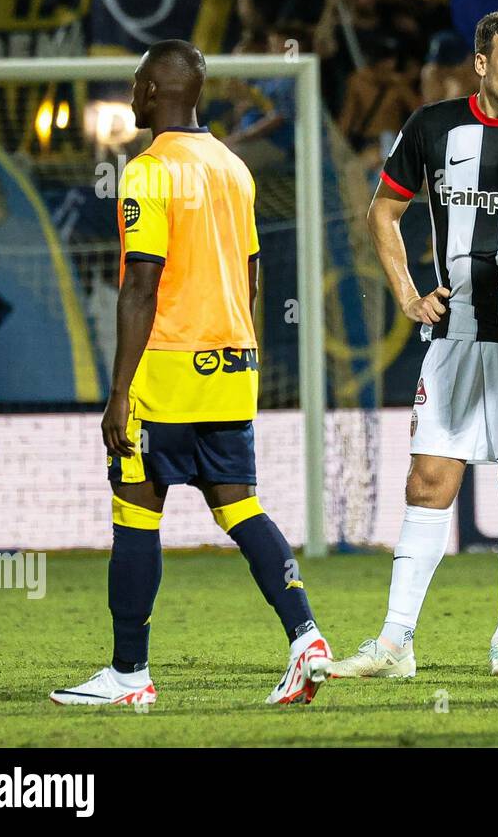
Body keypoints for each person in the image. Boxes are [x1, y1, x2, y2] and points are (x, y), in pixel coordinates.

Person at [52, 40, 332, 707]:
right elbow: (253, 275)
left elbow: (140, 284)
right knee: (239, 505)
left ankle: (128, 676)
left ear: (154, 90)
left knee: (136, 512)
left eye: (138, 83)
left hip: (169, 368)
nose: (132, 93)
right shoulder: (232, 167)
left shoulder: (148, 171)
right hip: (234, 362)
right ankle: (306, 639)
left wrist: (120, 392)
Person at [328, 10, 498, 680]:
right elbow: (383, 211)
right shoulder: (433, 128)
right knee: (427, 481)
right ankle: (394, 642)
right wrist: (408, 295)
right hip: (455, 334)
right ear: (481, 63)